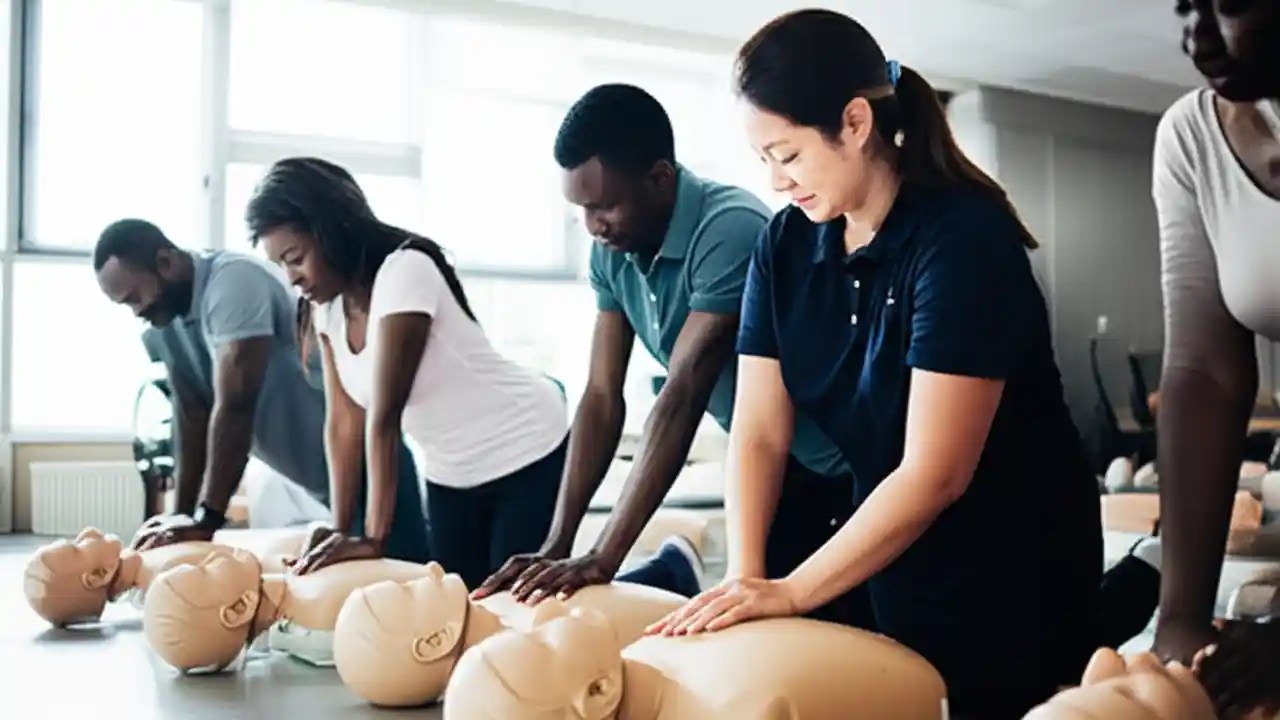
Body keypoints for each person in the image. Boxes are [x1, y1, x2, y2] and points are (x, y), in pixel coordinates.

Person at [644, 10, 1159, 718]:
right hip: (895, 548)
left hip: (1014, 561)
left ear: (855, 123)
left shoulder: (962, 241)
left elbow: (935, 472)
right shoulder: (786, 247)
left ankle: (1150, 576)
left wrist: (792, 591)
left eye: (787, 155)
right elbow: (760, 432)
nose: (773, 181)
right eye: (761, 158)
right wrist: (747, 576)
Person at [474, 84, 863, 624]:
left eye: (605, 204)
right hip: (771, 460)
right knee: (767, 629)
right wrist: (559, 541)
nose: (593, 226)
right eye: (581, 210)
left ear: (660, 178)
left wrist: (604, 556)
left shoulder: (729, 229)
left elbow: (682, 394)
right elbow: (602, 396)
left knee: (833, 638)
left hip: (845, 466)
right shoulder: (612, 252)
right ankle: (672, 572)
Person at [250, 157, 570, 591]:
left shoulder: (405, 270)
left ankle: (665, 572)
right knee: (458, 609)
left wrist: (373, 538)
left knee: (517, 607)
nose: (292, 279)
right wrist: (340, 528)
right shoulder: (326, 310)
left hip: (526, 446)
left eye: (296, 258)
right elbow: (343, 422)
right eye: (281, 265)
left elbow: (385, 414)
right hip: (451, 472)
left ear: (329, 229)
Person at [94, 220, 430, 563]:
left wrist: (207, 519)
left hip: (371, 467)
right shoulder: (164, 323)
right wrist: (180, 520)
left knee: (412, 591)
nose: (137, 311)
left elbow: (236, 405)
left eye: (136, 296)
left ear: (165, 263)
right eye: (126, 304)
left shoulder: (234, 282)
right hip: (328, 484)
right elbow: (192, 415)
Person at [1150, 0, 1280, 715]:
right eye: (1183, 5)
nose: (1197, 38)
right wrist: (1181, 621)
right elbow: (1205, 372)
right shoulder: (1193, 136)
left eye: (1227, 5)